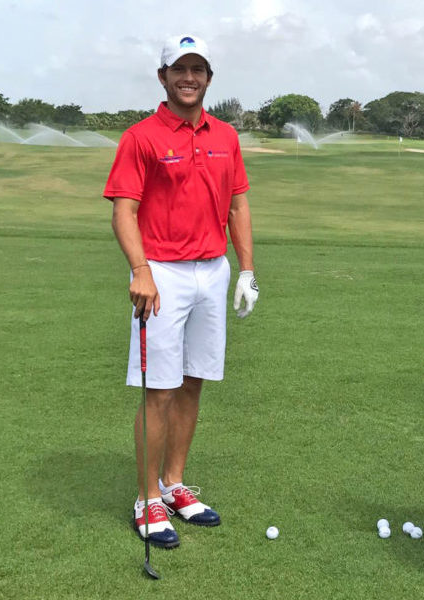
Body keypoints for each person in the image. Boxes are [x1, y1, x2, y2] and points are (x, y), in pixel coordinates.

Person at [103, 34, 258, 549]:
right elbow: (123, 211)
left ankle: (174, 485)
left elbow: (237, 206)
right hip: (162, 273)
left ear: (209, 77)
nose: (189, 77)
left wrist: (246, 270)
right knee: (161, 389)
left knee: (194, 383)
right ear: (163, 76)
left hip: (212, 271)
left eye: (198, 69)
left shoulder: (226, 136)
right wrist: (139, 269)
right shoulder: (141, 137)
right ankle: (147, 497)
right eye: (179, 69)